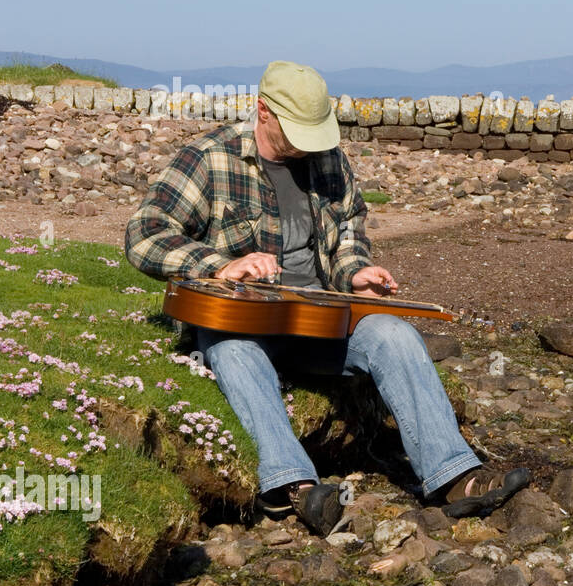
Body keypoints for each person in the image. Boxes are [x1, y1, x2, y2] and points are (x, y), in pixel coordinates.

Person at [124, 61, 529, 534]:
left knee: (394, 333)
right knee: (233, 351)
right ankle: (295, 489)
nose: (308, 145)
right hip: (241, 321)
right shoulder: (208, 158)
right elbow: (143, 235)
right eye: (297, 131)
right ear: (263, 112)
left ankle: (456, 477)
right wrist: (220, 265)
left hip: (319, 320)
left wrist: (356, 274)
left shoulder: (328, 158)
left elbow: (347, 237)